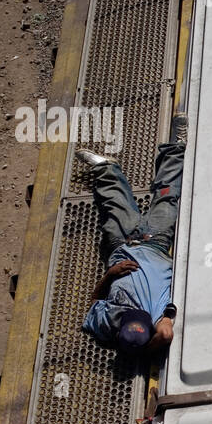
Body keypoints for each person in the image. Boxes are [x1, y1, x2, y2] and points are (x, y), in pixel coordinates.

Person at [75, 115, 187, 352]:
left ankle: (105, 167)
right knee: (167, 194)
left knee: (113, 202)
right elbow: (165, 336)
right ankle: (177, 146)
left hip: (121, 242)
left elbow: (94, 302)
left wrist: (110, 275)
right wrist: (161, 326)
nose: (130, 313)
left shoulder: (109, 324)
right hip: (156, 241)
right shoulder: (156, 317)